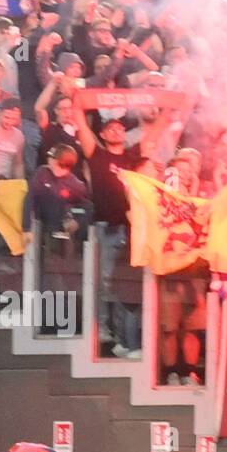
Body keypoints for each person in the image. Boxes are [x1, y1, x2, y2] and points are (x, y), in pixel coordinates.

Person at [73, 107, 143, 358]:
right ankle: (103, 329)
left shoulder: (133, 158)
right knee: (104, 281)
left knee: (125, 284)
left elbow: (158, 133)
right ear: (102, 133)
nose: (116, 130)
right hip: (106, 227)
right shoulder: (98, 156)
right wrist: (79, 101)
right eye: (111, 128)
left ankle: (124, 338)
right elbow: (80, 122)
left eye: (120, 127)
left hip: (132, 229)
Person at [26, 143, 92, 336]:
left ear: (63, 163)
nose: (49, 160)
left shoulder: (76, 185)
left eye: (53, 158)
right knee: (48, 279)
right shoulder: (42, 174)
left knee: (63, 280)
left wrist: (77, 222)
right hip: (42, 235)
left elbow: (88, 207)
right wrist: (26, 228)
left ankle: (65, 324)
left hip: (64, 240)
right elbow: (30, 199)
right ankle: (46, 323)